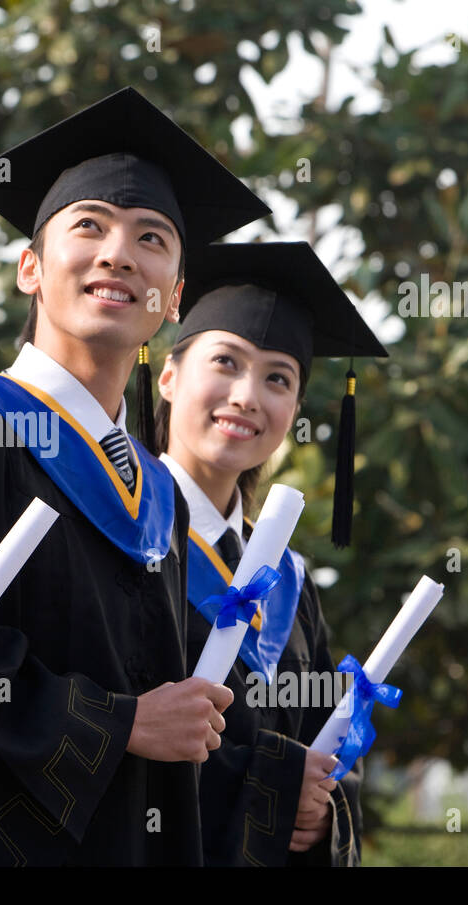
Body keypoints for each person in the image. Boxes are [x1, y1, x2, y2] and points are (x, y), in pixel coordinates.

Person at [0, 88, 270, 865]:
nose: (120, 254)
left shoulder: (156, 493)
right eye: (88, 226)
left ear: (175, 297)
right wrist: (120, 725)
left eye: (152, 238)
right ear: (30, 267)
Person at [154, 240, 388, 866]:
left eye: (278, 378)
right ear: (169, 376)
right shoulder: (124, 534)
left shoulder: (287, 578)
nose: (248, 396)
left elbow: (323, 744)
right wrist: (281, 787)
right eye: (226, 362)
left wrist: (322, 812)